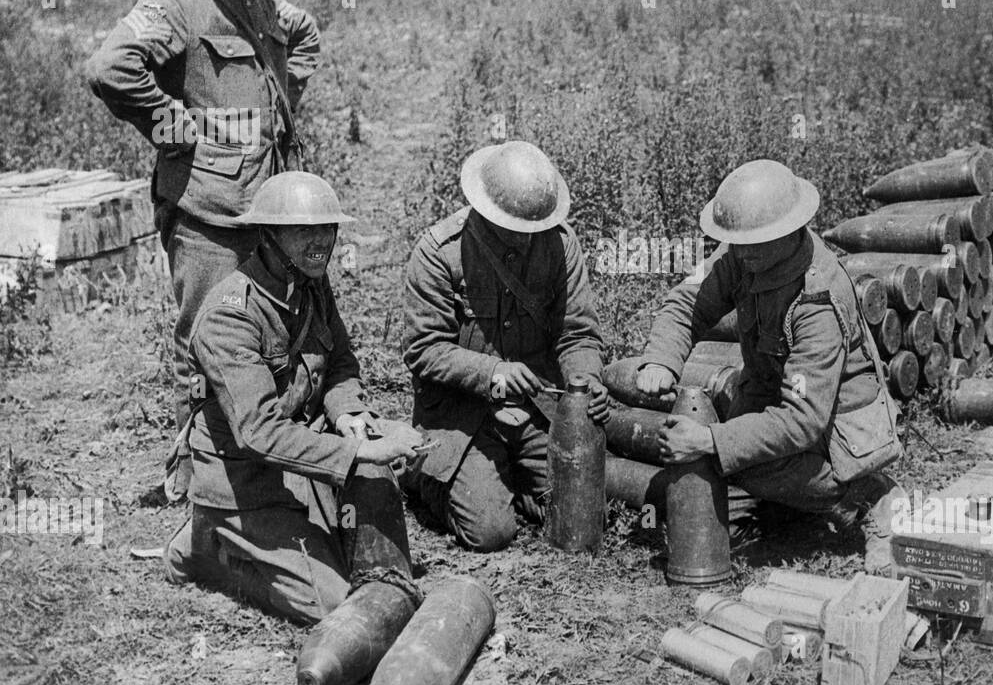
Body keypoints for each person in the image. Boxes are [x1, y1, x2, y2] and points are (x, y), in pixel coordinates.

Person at [86, 0, 321, 501]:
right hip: (206, 211)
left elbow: (303, 34)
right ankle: (195, 478)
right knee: (204, 341)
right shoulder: (177, 2)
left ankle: (257, 454)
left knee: (267, 330)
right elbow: (110, 68)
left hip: (265, 202)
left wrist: (282, 113)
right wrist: (173, 126)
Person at [164, 172, 424, 623]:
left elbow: (339, 362)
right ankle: (209, 549)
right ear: (268, 235)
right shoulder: (229, 317)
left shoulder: (309, 284)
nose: (322, 240)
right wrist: (358, 451)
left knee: (371, 511)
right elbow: (259, 433)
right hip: (247, 484)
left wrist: (349, 415)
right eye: (305, 230)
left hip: (302, 461)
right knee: (332, 605)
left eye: (328, 228)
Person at [635, 159, 902, 548]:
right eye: (736, 243)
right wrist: (661, 359)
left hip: (835, 424)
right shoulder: (745, 252)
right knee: (731, 465)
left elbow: (802, 419)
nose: (739, 253)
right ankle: (794, 503)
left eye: (750, 244)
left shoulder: (818, 300)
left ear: (787, 232)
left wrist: (710, 440)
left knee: (744, 462)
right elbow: (686, 302)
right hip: (775, 395)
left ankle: (865, 496)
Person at [403, 140, 609, 552]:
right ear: (484, 209)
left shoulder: (560, 244)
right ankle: (424, 476)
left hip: (536, 408)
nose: (527, 237)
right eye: (513, 226)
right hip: (463, 417)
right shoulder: (440, 252)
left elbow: (577, 333)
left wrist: (585, 380)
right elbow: (424, 349)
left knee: (587, 512)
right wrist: (494, 373)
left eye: (534, 226)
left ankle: (507, 480)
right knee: (491, 532)